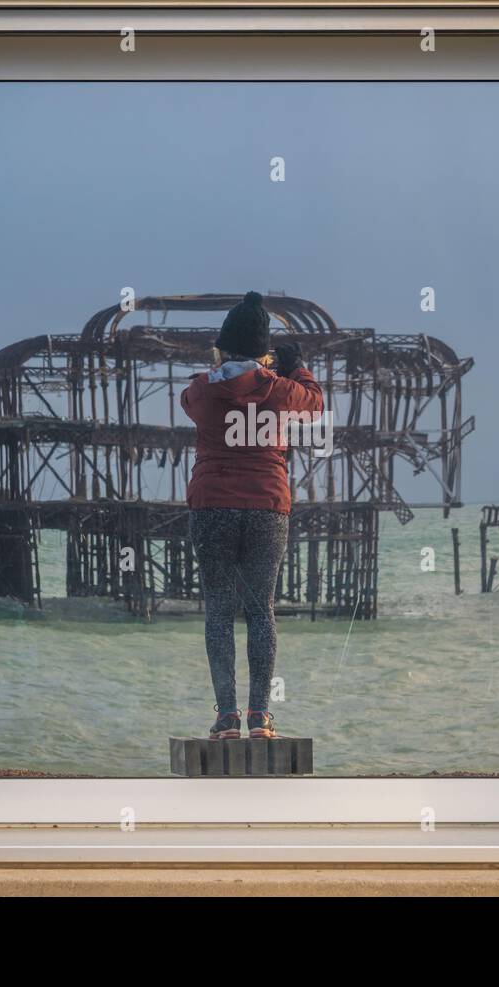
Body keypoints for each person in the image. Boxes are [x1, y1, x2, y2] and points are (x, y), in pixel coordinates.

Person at [180, 291, 324, 739]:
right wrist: (293, 367)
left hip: (212, 505)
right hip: (267, 506)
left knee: (219, 611)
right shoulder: (281, 390)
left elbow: (189, 400)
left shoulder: (203, 392)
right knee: (261, 609)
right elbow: (316, 405)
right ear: (265, 352)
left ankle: (226, 717)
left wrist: (231, 368)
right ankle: (260, 716)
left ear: (221, 349)